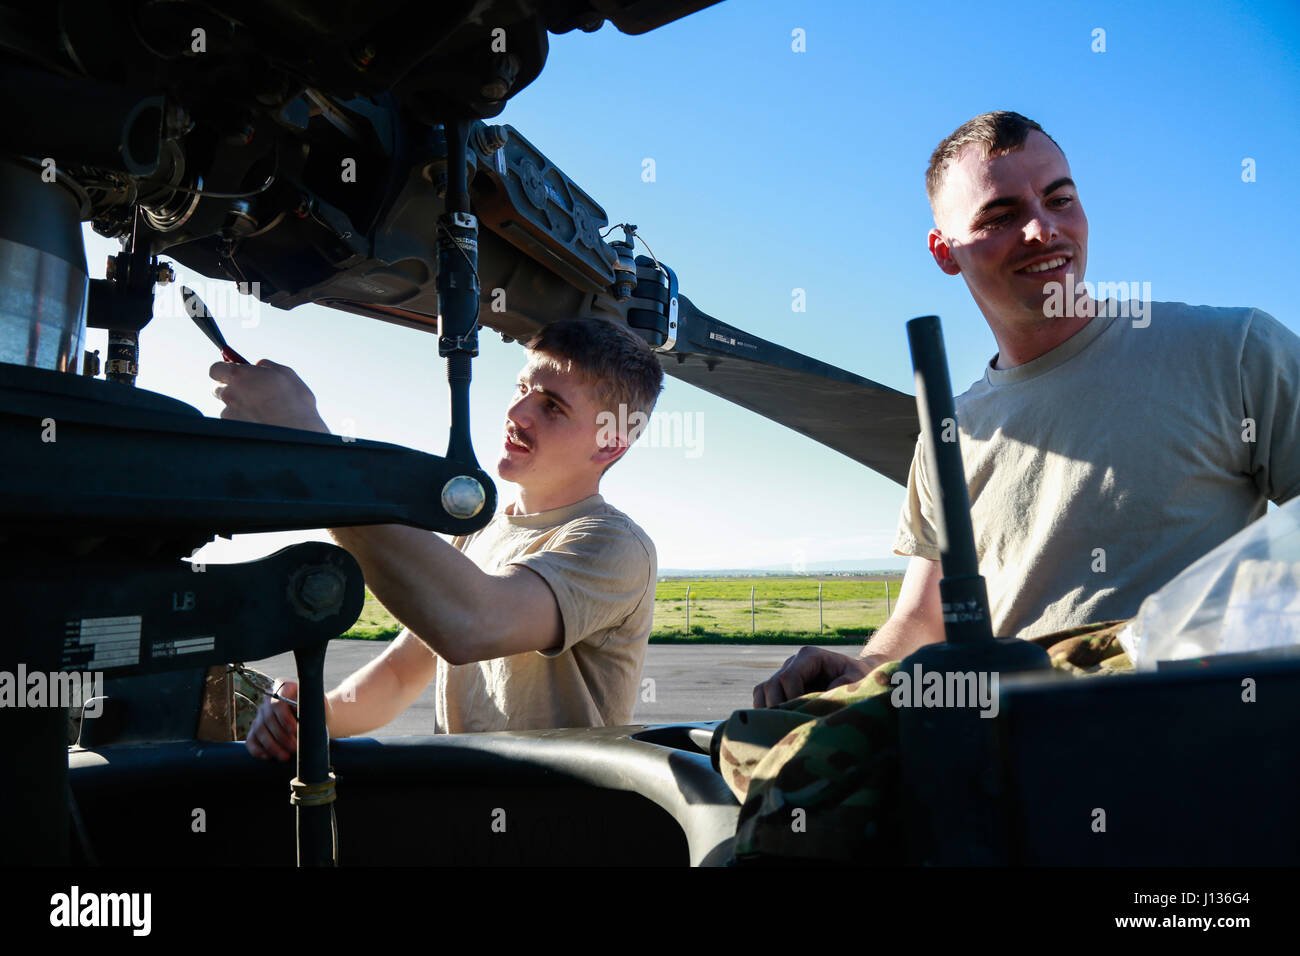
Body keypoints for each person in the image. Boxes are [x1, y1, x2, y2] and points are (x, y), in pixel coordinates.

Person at [754, 110, 1300, 707]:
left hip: (1201, 756)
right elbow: (924, 618)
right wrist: (867, 665)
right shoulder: (949, 432)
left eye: (1059, 199)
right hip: (1015, 764)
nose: (1044, 230)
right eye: (1002, 216)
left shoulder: (1235, 350)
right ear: (945, 252)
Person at [211, 318, 664, 756]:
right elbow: (398, 675)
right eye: (522, 388)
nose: (515, 412)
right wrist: (314, 715)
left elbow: (472, 623)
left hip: (548, 826)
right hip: (460, 815)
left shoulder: (615, 545)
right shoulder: (481, 531)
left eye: (551, 406)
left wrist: (311, 449)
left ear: (610, 443)